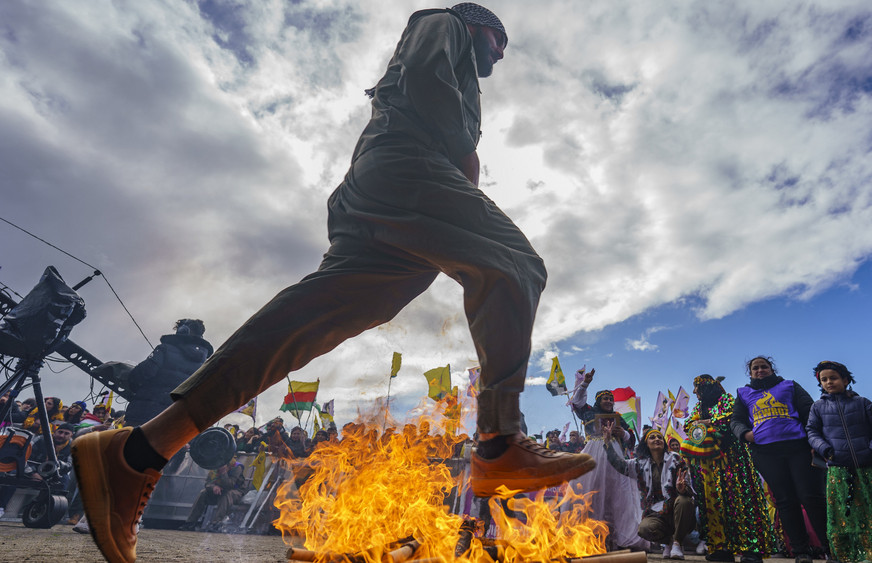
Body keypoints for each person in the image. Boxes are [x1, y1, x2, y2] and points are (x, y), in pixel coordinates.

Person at [71, 5, 595, 562]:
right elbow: (425, 75)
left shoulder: (465, 66)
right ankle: (500, 440)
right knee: (515, 264)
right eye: (499, 38)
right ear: (477, 23)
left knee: (308, 322)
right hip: (405, 170)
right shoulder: (443, 22)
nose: (502, 53)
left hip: (385, 191)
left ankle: (140, 452)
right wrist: (466, 157)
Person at [806, 361, 872, 563]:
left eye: (833, 378)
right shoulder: (817, 408)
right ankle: (849, 555)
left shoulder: (862, 403)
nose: (829, 382)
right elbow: (812, 432)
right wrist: (826, 450)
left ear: (845, 380)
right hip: (839, 470)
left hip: (870, 468)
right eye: (824, 380)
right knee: (846, 515)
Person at [731, 356, 828, 563]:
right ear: (750, 373)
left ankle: (831, 549)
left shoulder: (789, 386)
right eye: (755, 368)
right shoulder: (743, 393)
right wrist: (745, 434)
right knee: (785, 500)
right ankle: (801, 552)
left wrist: (815, 442)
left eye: (764, 367)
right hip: (766, 453)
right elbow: (736, 420)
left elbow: (809, 411)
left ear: (772, 369)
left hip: (799, 448)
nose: (760, 370)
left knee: (811, 497)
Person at [683, 374, 776, 563]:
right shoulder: (698, 407)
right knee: (713, 505)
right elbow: (688, 425)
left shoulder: (726, 399)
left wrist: (705, 423)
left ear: (706, 387)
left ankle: (751, 550)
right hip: (708, 466)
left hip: (732, 460)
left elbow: (729, 418)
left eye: (697, 388)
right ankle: (720, 548)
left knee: (740, 501)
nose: (694, 392)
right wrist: (703, 424)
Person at [566, 368, 645, 551]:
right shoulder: (588, 412)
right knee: (590, 492)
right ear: (598, 401)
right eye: (605, 399)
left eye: (611, 399)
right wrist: (585, 383)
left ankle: (616, 537)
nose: (609, 401)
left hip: (614, 455)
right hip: (593, 453)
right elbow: (576, 402)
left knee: (617, 494)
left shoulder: (618, 418)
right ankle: (588, 535)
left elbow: (631, 438)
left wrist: (623, 433)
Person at [604, 425, 696, 560]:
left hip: (677, 509)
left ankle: (677, 543)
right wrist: (608, 444)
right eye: (652, 437)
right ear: (646, 443)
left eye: (660, 437)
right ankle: (668, 542)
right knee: (644, 529)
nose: (657, 439)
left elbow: (688, 488)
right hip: (655, 512)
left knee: (684, 501)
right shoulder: (639, 463)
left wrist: (682, 489)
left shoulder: (675, 459)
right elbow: (620, 465)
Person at [123, 319, 213, 427]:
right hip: (173, 423)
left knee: (130, 438)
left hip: (144, 414)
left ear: (182, 331)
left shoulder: (164, 349)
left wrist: (133, 386)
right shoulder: (204, 365)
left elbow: (142, 373)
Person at [178, 457, 246, 532]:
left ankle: (216, 523)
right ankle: (190, 522)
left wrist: (223, 473)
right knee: (203, 493)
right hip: (219, 490)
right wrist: (213, 487)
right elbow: (207, 483)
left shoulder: (236, 467)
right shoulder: (214, 467)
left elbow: (230, 485)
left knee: (226, 495)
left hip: (235, 492)